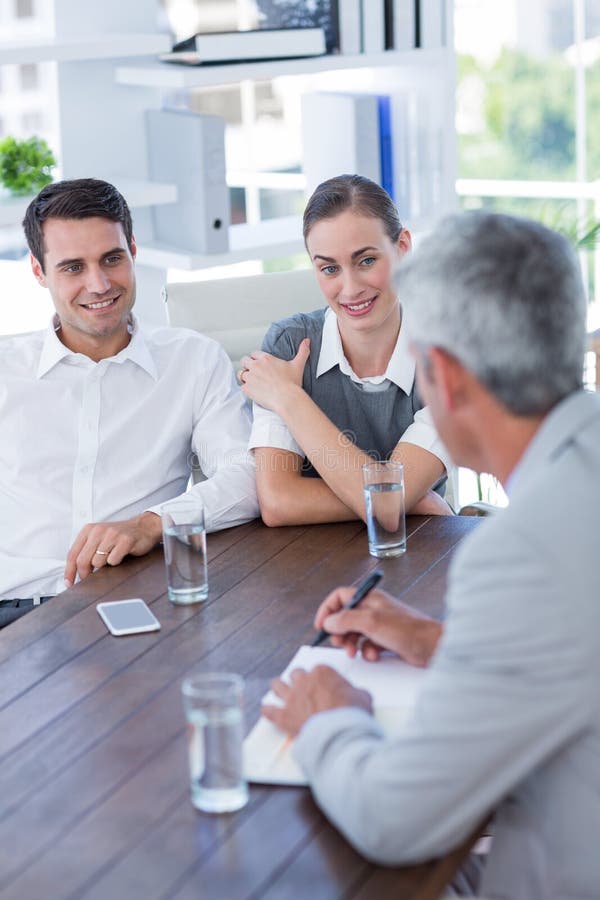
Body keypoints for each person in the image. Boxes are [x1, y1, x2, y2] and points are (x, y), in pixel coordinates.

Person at [262, 212, 600, 898]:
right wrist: (438, 640)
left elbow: (394, 821)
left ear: (439, 375)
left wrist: (330, 716)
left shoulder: (523, 549)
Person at [0, 178, 258, 628]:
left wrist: (150, 523)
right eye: (72, 268)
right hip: (15, 616)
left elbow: (247, 478)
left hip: (136, 610)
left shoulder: (192, 360)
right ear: (39, 273)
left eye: (112, 259)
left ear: (133, 250)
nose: (98, 284)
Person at [239, 174, 453, 526]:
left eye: (367, 261)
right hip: (308, 560)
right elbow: (278, 503)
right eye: (329, 268)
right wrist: (406, 502)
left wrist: (289, 397)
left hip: (417, 556)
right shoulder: (289, 345)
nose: (350, 288)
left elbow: (385, 506)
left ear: (402, 248)